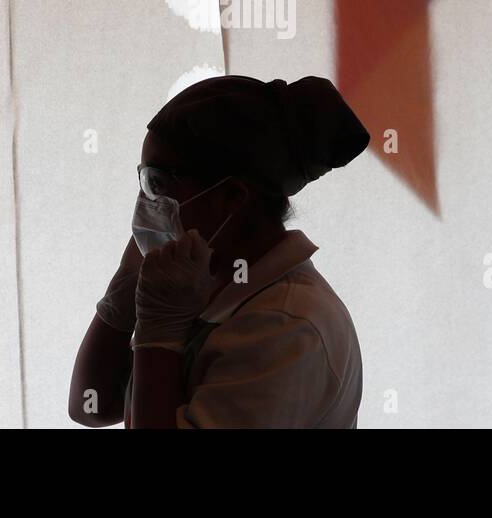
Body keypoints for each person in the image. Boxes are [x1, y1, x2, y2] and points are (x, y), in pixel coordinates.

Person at [68, 75, 371, 428]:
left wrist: (159, 332)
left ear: (231, 198)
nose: (146, 203)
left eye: (158, 183)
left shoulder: (285, 327)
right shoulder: (202, 287)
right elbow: (92, 405)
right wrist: (127, 286)